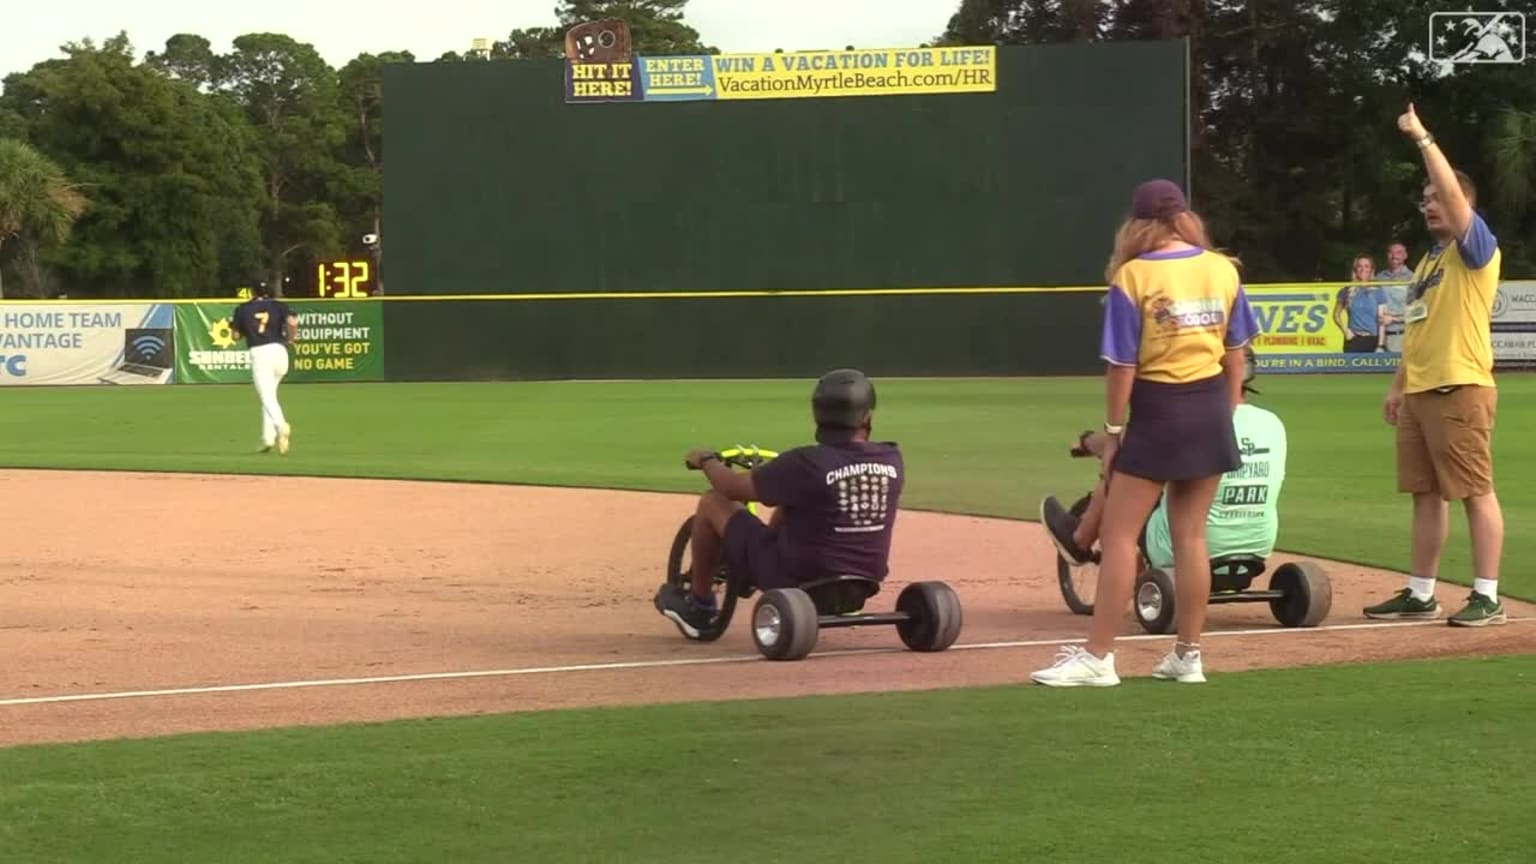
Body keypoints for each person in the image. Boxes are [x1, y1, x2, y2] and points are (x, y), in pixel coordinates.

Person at [1030, 178, 1257, 688]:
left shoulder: (1132, 278)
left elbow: (1121, 367)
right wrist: (1231, 407)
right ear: (1183, 217)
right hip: (1209, 408)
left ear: (1136, 224)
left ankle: (1098, 657)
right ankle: (1188, 655)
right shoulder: (1222, 269)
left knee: (1117, 535)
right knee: (1192, 537)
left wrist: (1112, 432)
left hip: (1159, 410)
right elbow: (1235, 351)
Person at [1364, 103, 1506, 627]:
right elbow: (1417, 328)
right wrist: (1398, 385)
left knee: (1474, 490)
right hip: (1422, 391)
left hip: (1460, 386)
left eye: (1437, 198)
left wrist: (1422, 138)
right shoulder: (1427, 262)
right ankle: (1421, 592)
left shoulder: (1476, 249)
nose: (1429, 205)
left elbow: (1450, 190)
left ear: (1461, 203)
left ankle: (1488, 594)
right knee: (1424, 494)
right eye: (1422, 201)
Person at [654, 369, 905, 639]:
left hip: (796, 581)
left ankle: (700, 608)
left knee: (712, 502)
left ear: (818, 414)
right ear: (867, 416)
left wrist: (706, 460)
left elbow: (730, 487)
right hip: (863, 583)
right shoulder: (891, 459)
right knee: (802, 502)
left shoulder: (805, 463)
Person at [1042, 345, 1287, 582]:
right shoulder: (1272, 423)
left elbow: (1124, 445)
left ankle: (1081, 541)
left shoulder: (1189, 419)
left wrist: (1086, 442)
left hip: (1184, 546)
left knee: (1124, 473)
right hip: (1258, 544)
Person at [229, 284, 298, 455]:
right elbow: (292, 322)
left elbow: (235, 336)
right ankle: (267, 438)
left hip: (261, 354)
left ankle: (281, 426)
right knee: (270, 397)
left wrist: (238, 328)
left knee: (267, 397)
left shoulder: (243, 309)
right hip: (280, 352)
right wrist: (290, 338)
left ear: (251, 291)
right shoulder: (278, 305)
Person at [1335, 254, 1388, 353]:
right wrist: (1345, 330)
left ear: (1371, 270)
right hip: (1353, 340)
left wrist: (1380, 345)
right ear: (1355, 269)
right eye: (1360, 266)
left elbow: (1381, 321)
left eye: (1367, 266)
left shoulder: (1378, 290)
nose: (1363, 269)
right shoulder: (1346, 290)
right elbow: (1336, 315)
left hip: (1372, 340)